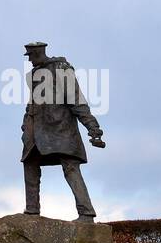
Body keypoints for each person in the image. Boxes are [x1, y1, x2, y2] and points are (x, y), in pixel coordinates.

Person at [20, 41, 104, 222]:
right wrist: (26, 122)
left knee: (70, 167)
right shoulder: (33, 75)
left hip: (60, 128)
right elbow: (33, 102)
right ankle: (32, 210)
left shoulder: (61, 68)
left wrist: (92, 127)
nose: (30, 61)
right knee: (30, 163)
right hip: (37, 131)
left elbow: (76, 99)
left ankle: (86, 212)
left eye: (31, 56)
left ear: (38, 53)